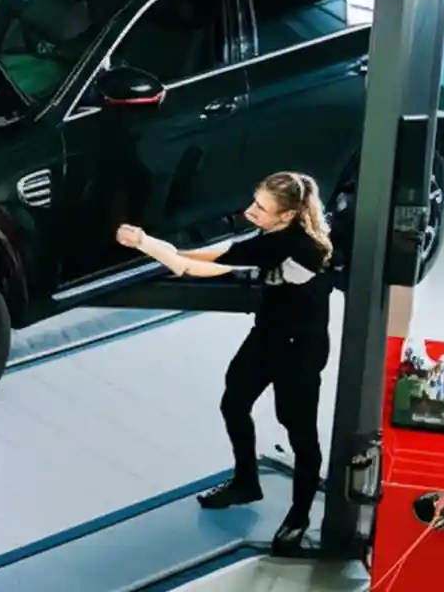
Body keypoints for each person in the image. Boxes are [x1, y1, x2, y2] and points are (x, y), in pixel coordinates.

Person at [115, 170, 334, 557]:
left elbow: (191, 267)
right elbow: (204, 256)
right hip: (268, 335)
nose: (251, 211)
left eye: (261, 208)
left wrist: (145, 243)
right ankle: (246, 483)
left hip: (300, 349)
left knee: (298, 429)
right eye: (255, 201)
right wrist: (155, 244)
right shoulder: (271, 237)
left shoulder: (300, 248)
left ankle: (298, 518)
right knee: (233, 403)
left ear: (287, 215)